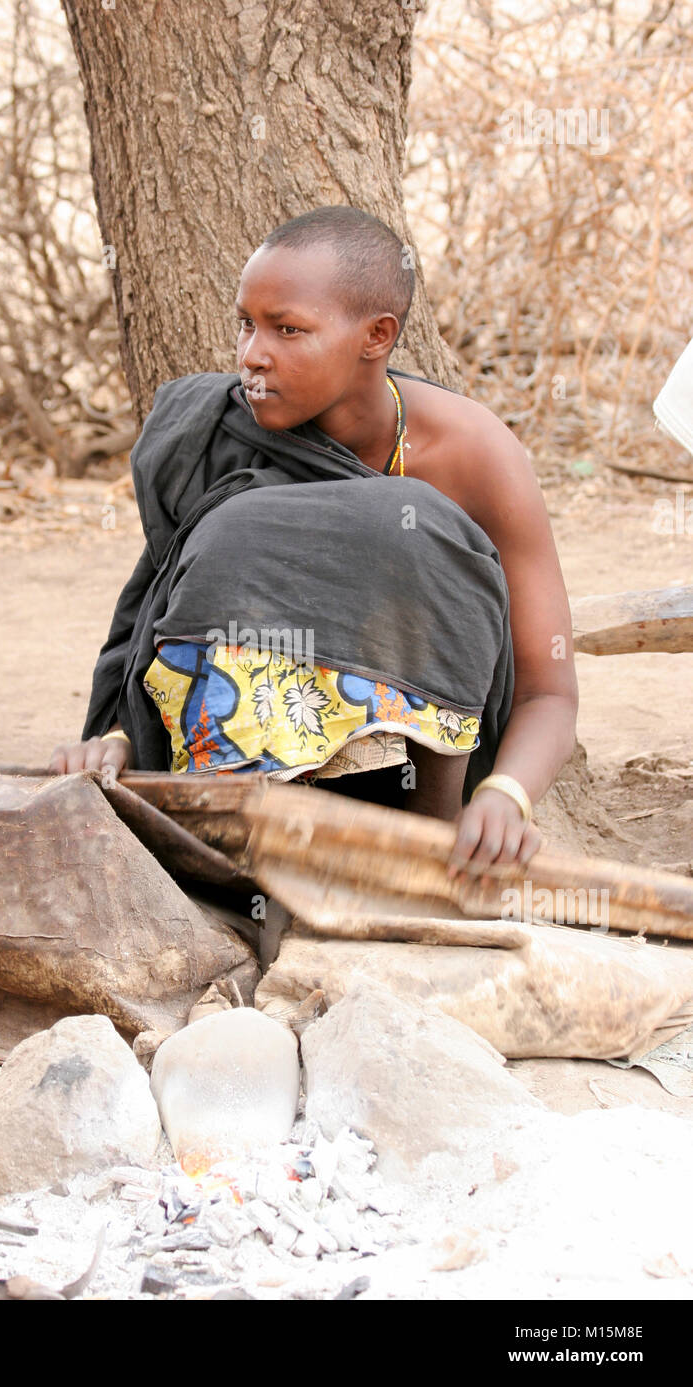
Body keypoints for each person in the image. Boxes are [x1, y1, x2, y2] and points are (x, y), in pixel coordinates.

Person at [50, 206, 578, 881]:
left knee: (404, 519)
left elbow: (549, 691)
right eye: (246, 323)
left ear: (376, 336)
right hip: (236, 811)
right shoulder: (218, 435)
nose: (252, 356)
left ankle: (422, 862)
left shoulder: (474, 457)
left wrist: (506, 797)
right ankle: (232, 865)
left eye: (288, 329)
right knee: (238, 529)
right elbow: (166, 619)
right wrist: (121, 740)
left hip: (423, 798)